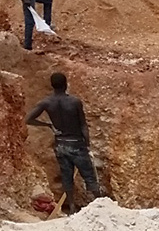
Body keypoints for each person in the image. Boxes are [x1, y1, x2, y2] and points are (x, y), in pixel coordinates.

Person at [26, 71, 104, 213]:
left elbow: (28, 119)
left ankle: (72, 208)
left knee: (67, 177)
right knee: (89, 177)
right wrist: (87, 144)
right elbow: (83, 125)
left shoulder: (47, 102)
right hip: (77, 144)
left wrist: (48, 125)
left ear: (52, 85)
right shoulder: (74, 102)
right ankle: (102, 206)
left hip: (61, 145)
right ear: (66, 84)